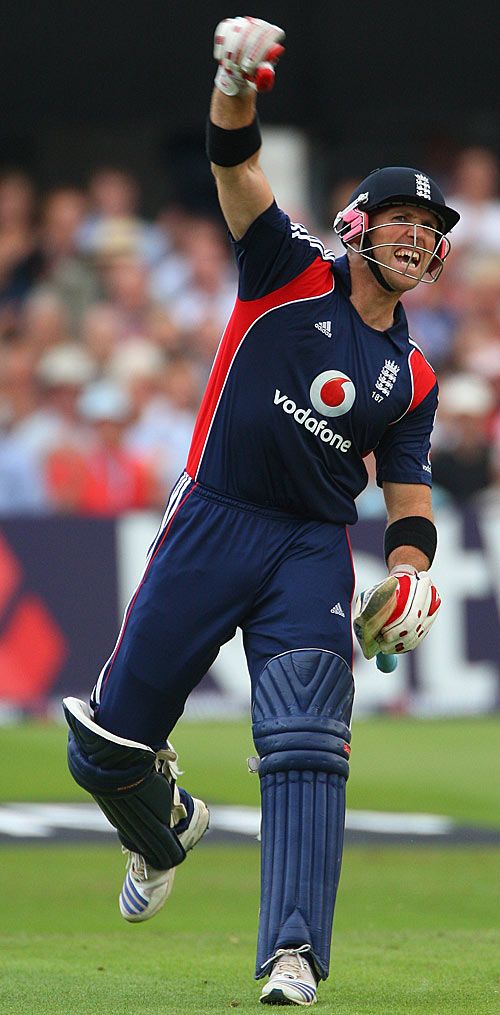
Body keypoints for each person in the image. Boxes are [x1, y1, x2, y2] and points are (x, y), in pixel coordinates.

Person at [63, 17, 458, 1008]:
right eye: (401, 218)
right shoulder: (284, 269)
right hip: (214, 517)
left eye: (432, 226)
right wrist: (231, 77)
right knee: (102, 749)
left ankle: (291, 955)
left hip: (306, 551)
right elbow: (233, 160)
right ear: (358, 225)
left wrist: (411, 570)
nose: (417, 235)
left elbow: (405, 495)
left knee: (305, 740)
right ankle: (165, 828)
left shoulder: (411, 375)